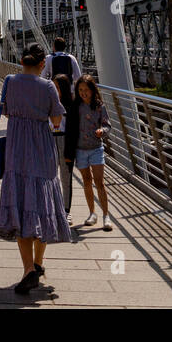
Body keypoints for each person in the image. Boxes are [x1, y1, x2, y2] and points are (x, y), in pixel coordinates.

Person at [0, 43, 71, 294]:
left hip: (17, 149)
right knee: (42, 203)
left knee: (20, 203)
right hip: (42, 149)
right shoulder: (48, 86)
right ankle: (38, 264)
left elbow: (5, 112)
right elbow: (57, 120)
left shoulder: (10, 81)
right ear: (41, 65)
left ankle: (27, 268)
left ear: (22, 60)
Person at [43, 37, 83, 222]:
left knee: (51, 175)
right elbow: (77, 77)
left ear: (53, 46)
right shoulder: (71, 58)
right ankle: (64, 210)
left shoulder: (49, 59)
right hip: (64, 139)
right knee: (65, 177)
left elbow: (44, 76)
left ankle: (59, 209)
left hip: (53, 138)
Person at [74, 76, 113, 230]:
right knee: (87, 181)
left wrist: (102, 131)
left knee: (100, 182)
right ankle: (92, 213)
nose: (83, 93)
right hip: (80, 149)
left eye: (86, 90)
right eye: (81, 90)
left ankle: (106, 215)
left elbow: (107, 125)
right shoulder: (75, 106)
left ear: (92, 90)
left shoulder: (99, 106)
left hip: (96, 148)